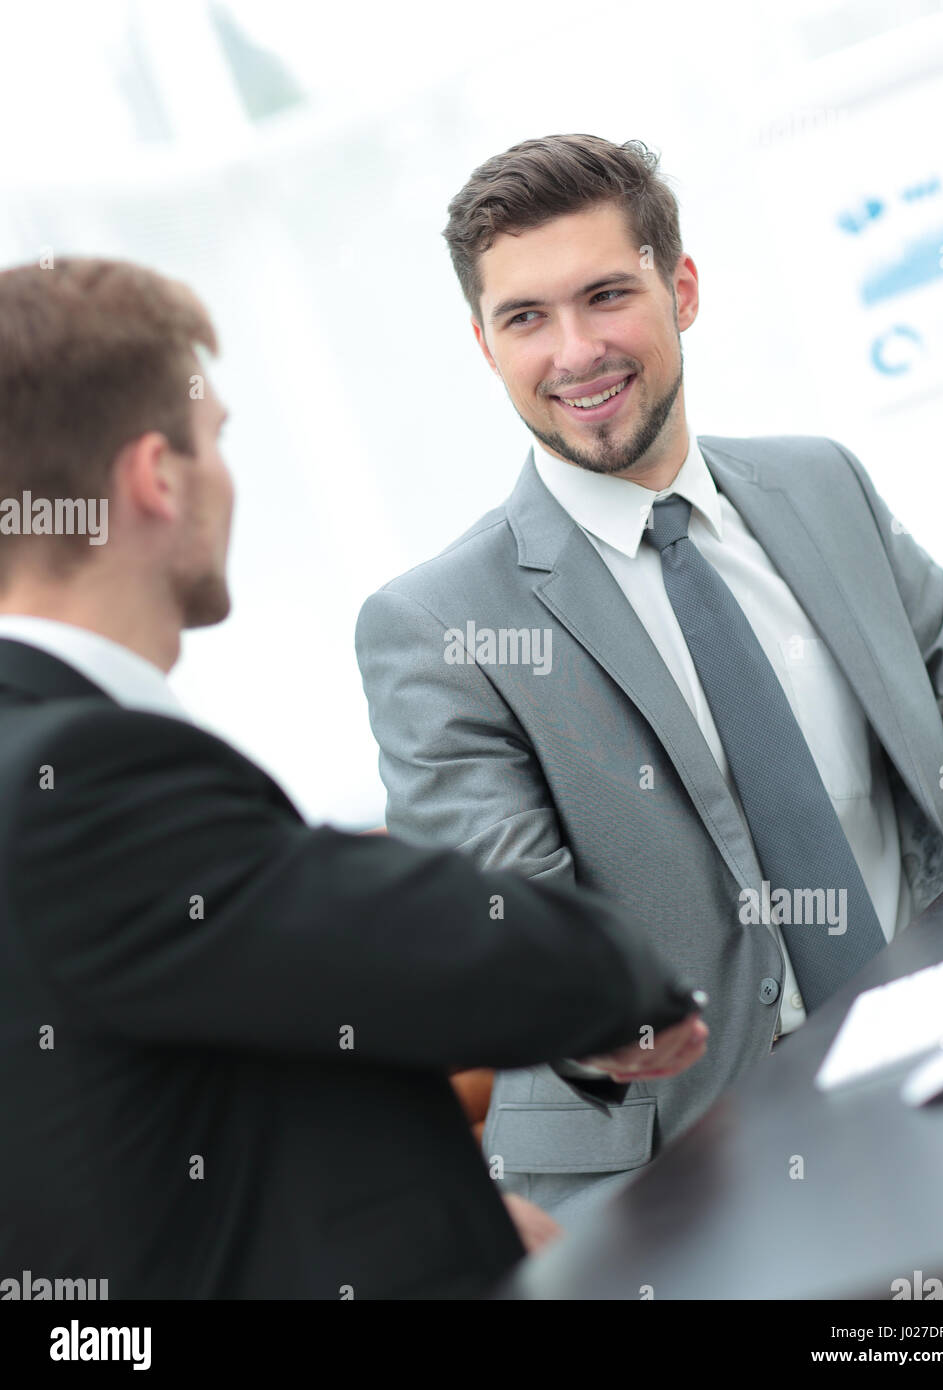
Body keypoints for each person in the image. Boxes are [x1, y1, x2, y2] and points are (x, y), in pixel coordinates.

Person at [0, 256, 706, 1300]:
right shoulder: (77, 777)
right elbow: (496, 954)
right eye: (218, 440)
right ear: (157, 475)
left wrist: (464, 1211)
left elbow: (139, 1114)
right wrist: (619, 989)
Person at [355, 133, 943, 1224]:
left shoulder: (817, 482)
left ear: (681, 287)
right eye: (525, 318)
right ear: (483, 344)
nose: (575, 351)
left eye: (607, 294)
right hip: (683, 1162)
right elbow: (521, 930)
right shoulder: (436, 625)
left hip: (929, 1055)